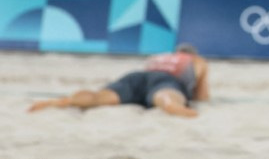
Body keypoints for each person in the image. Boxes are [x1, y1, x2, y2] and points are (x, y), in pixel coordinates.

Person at [28, 44, 209, 118]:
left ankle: (64, 101)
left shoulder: (159, 57)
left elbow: (147, 72)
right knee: (166, 98)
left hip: (137, 76)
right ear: (192, 53)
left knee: (100, 97)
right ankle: (174, 107)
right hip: (166, 80)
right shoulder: (196, 60)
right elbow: (202, 95)